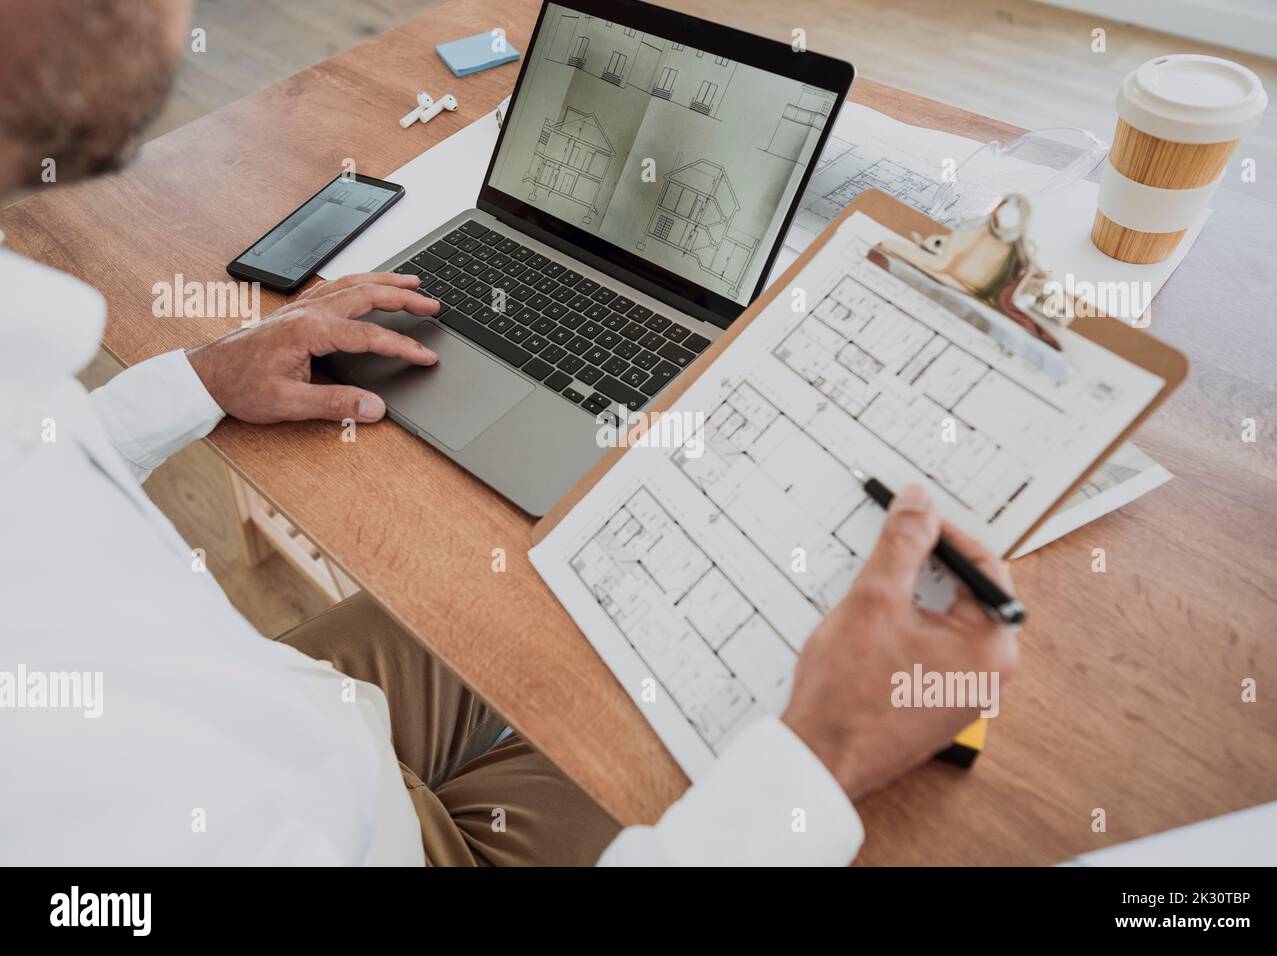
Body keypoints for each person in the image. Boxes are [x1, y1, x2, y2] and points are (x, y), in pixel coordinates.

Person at [0, 0, 1019, 865]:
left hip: (288, 706)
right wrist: (820, 760)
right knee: (670, 725)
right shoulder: (80, 810)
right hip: (378, 832)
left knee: (544, 592)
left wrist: (199, 377)